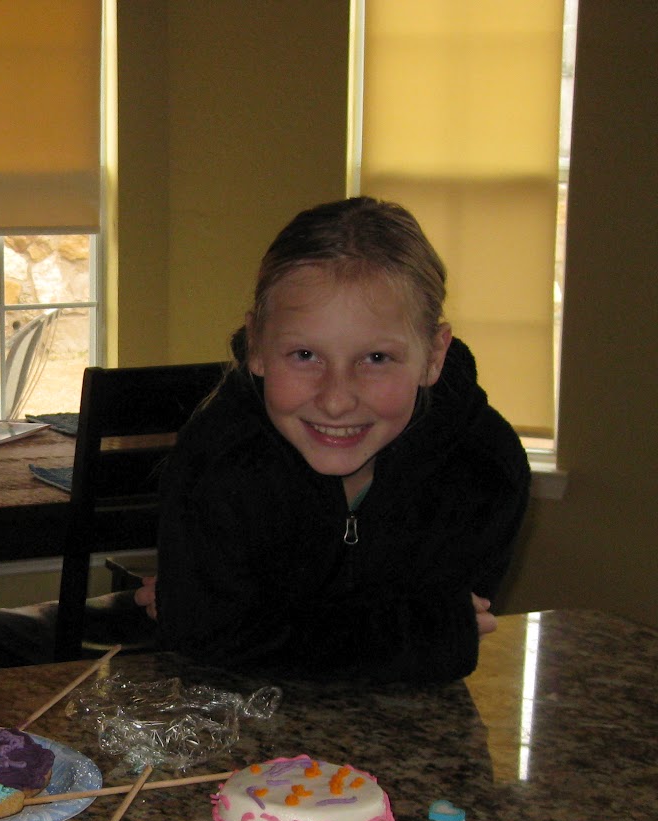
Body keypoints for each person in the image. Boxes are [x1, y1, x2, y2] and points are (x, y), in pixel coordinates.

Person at [155, 197, 530, 684]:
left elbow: (445, 650)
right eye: (305, 354)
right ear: (257, 345)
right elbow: (203, 635)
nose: (335, 401)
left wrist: (255, 622)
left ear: (435, 355)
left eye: (376, 358)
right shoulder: (217, 458)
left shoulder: (483, 468)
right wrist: (414, 634)